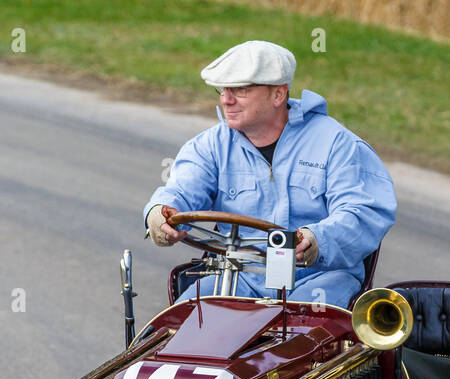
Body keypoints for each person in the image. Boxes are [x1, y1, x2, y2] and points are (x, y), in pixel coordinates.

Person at [143, 40, 397, 308]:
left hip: (321, 279)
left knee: (302, 334)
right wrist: (158, 212)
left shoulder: (337, 144)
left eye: (240, 90)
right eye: (222, 89)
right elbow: (180, 192)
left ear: (278, 95)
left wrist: (317, 239)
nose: (226, 100)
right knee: (178, 326)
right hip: (239, 277)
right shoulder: (210, 146)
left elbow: (363, 212)